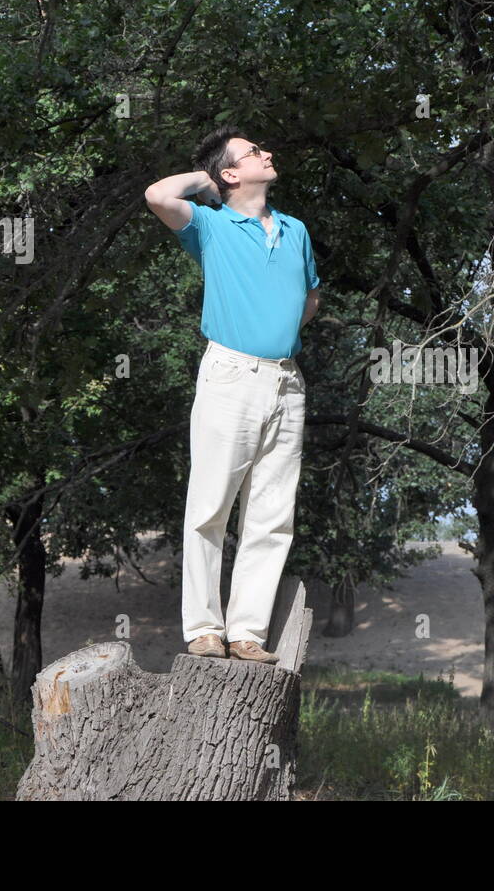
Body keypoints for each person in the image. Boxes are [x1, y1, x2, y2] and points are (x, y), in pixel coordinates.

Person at [144, 126, 321, 663]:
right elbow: (157, 195)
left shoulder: (296, 230)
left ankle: (247, 632)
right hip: (230, 374)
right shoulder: (211, 227)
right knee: (210, 507)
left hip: (287, 381)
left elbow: (310, 297)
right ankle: (202, 627)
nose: (268, 153)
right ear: (230, 173)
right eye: (252, 153)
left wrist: (278, 333)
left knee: (272, 515)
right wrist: (208, 181)